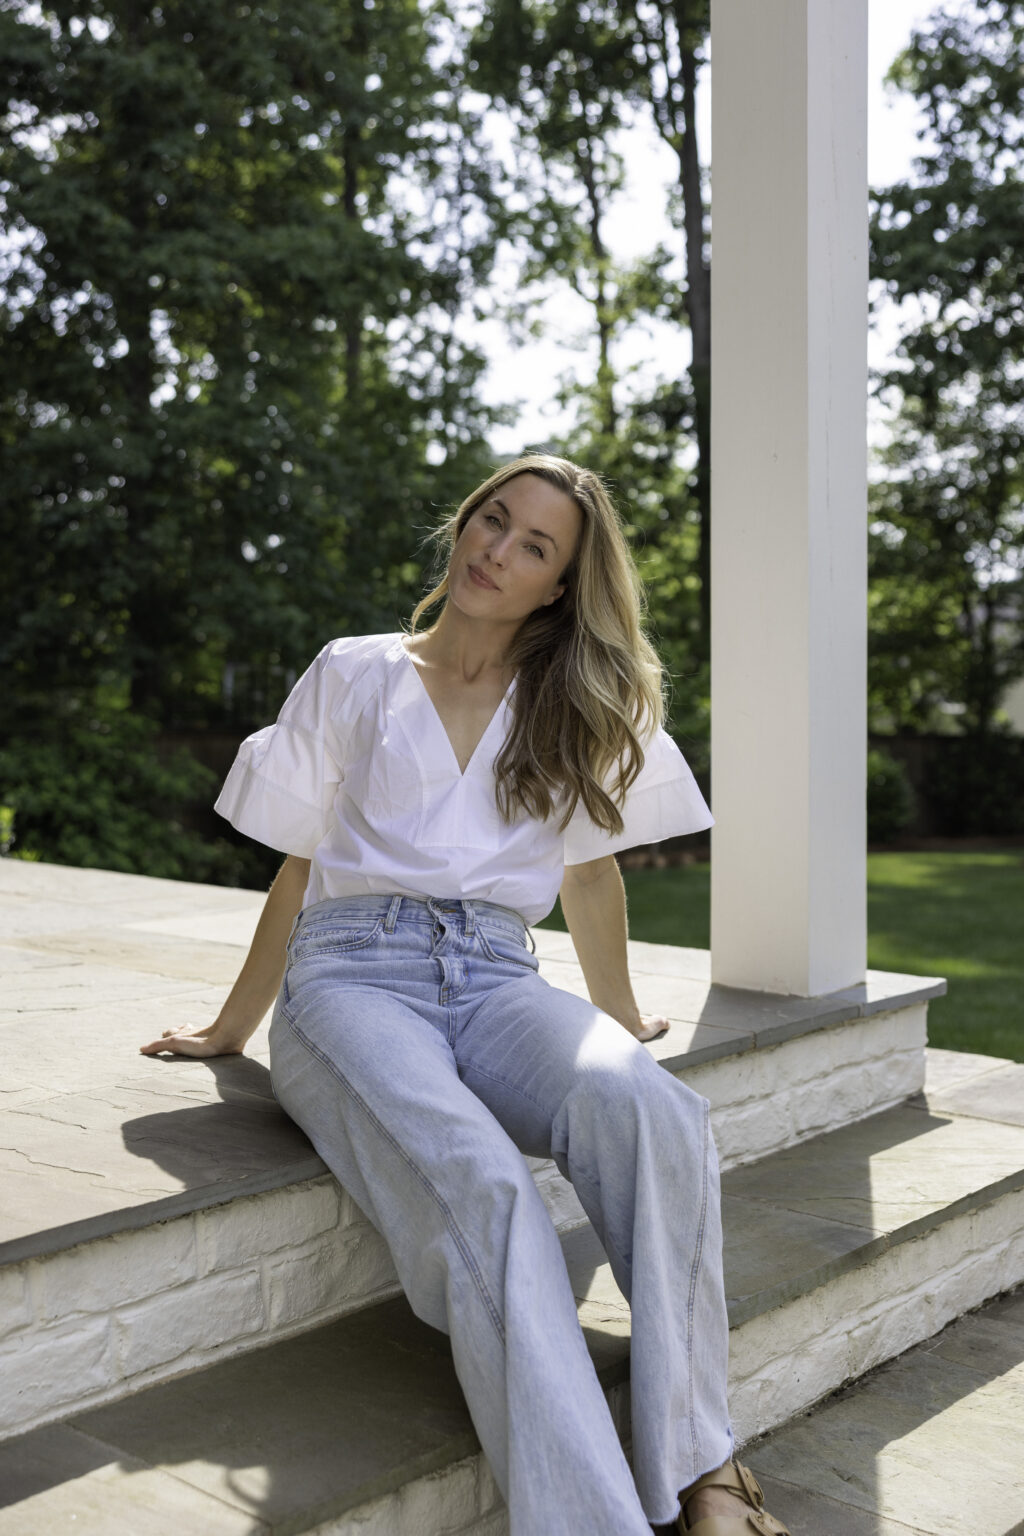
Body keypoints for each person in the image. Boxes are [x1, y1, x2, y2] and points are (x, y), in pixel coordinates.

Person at [141, 455, 789, 1536]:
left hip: (495, 976)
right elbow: (299, 866)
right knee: (485, 1186)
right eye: (494, 520)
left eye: (535, 545)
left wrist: (617, 1023)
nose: (499, 549)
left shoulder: (573, 698)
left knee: (651, 1110)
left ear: (557, 585)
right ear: (463, 524)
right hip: (350, 977)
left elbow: (587, 872)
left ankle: (702, 1470)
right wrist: (231, 1026)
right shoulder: (353, 672)